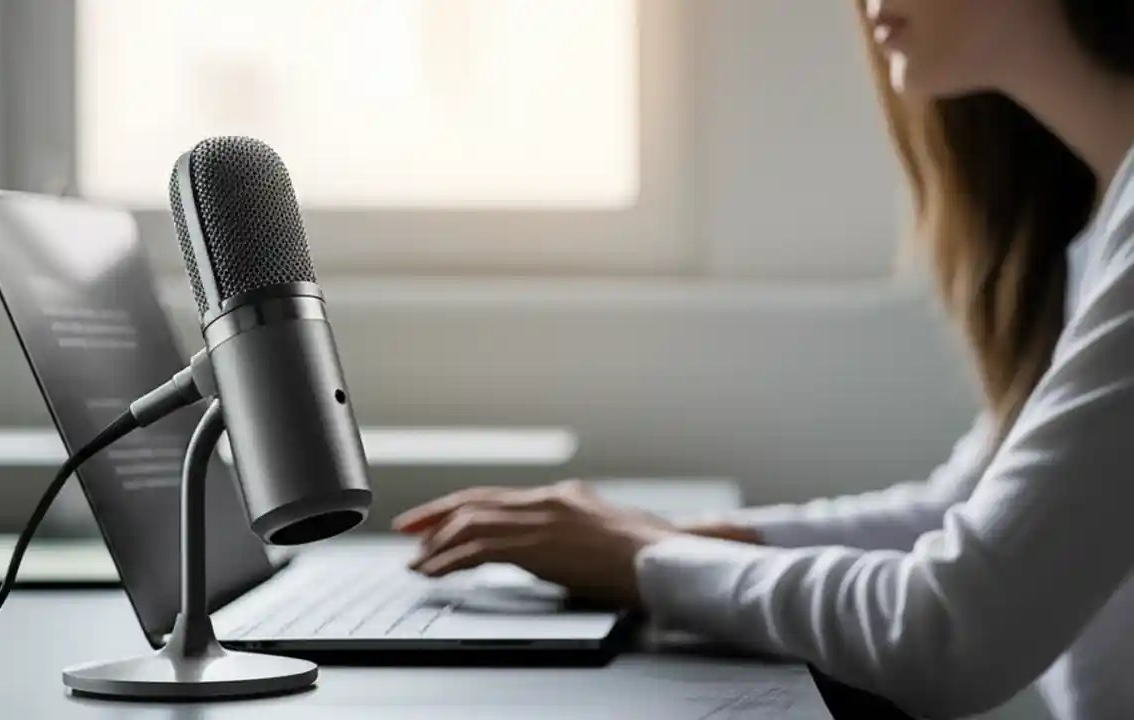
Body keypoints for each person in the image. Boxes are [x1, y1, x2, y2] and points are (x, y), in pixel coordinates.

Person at [393, 1, 1134, 718]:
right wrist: (656, 540)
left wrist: (641, 559)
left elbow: (954, 633)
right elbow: (966, 509)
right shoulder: (1101, 213)